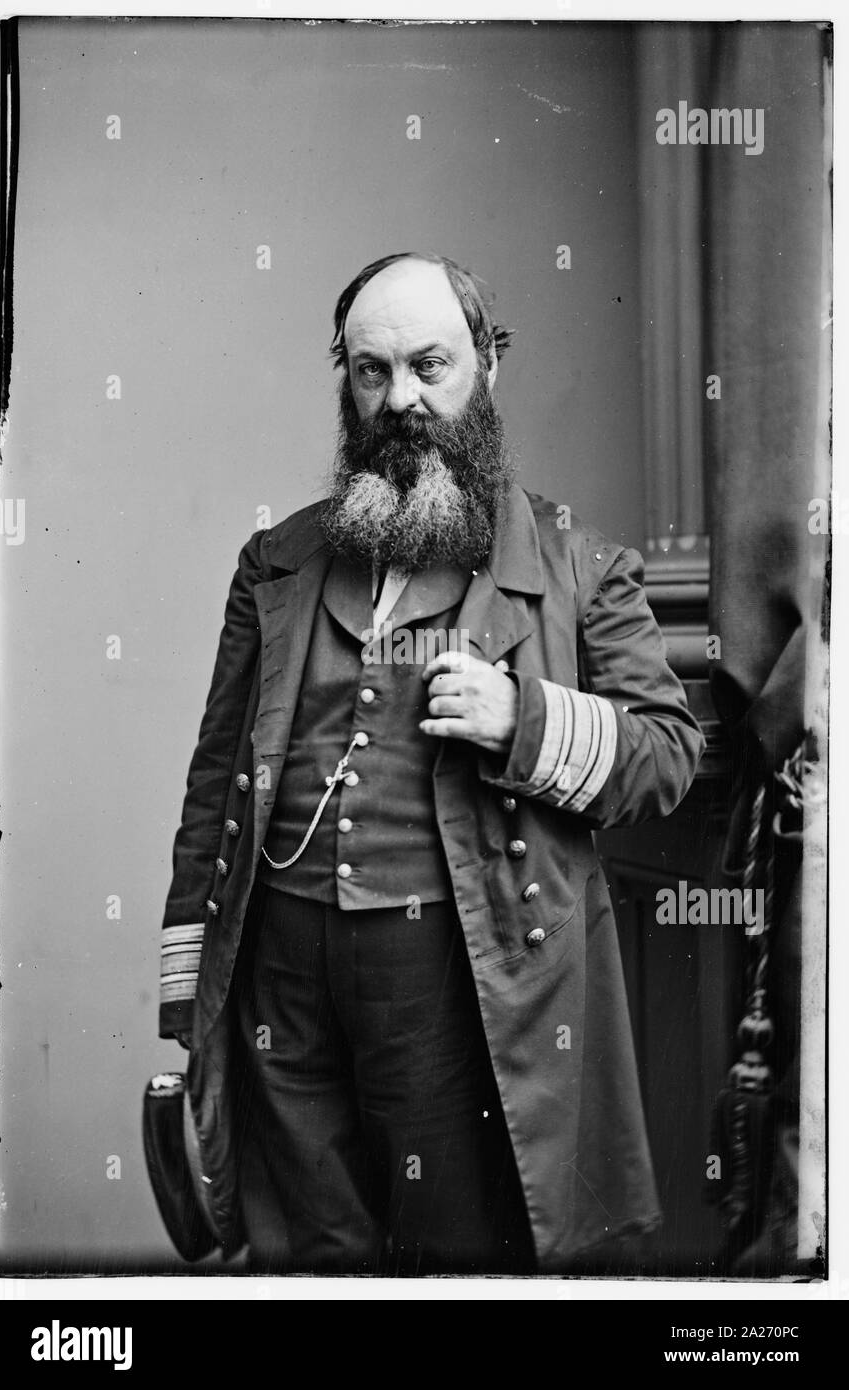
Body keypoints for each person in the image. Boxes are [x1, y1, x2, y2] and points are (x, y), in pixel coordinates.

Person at [158, 251, 705, 1276]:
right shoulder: (278, 558)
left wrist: (522, 721)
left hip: (453, 971)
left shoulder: (578, 563)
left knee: (445, 1254)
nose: (399, 398)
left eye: (428, 365)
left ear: (487, 365)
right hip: (279, 973)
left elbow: (669, 753)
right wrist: (189, 1007)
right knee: (304, 1250)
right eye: (370, 372)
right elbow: (213, 784)